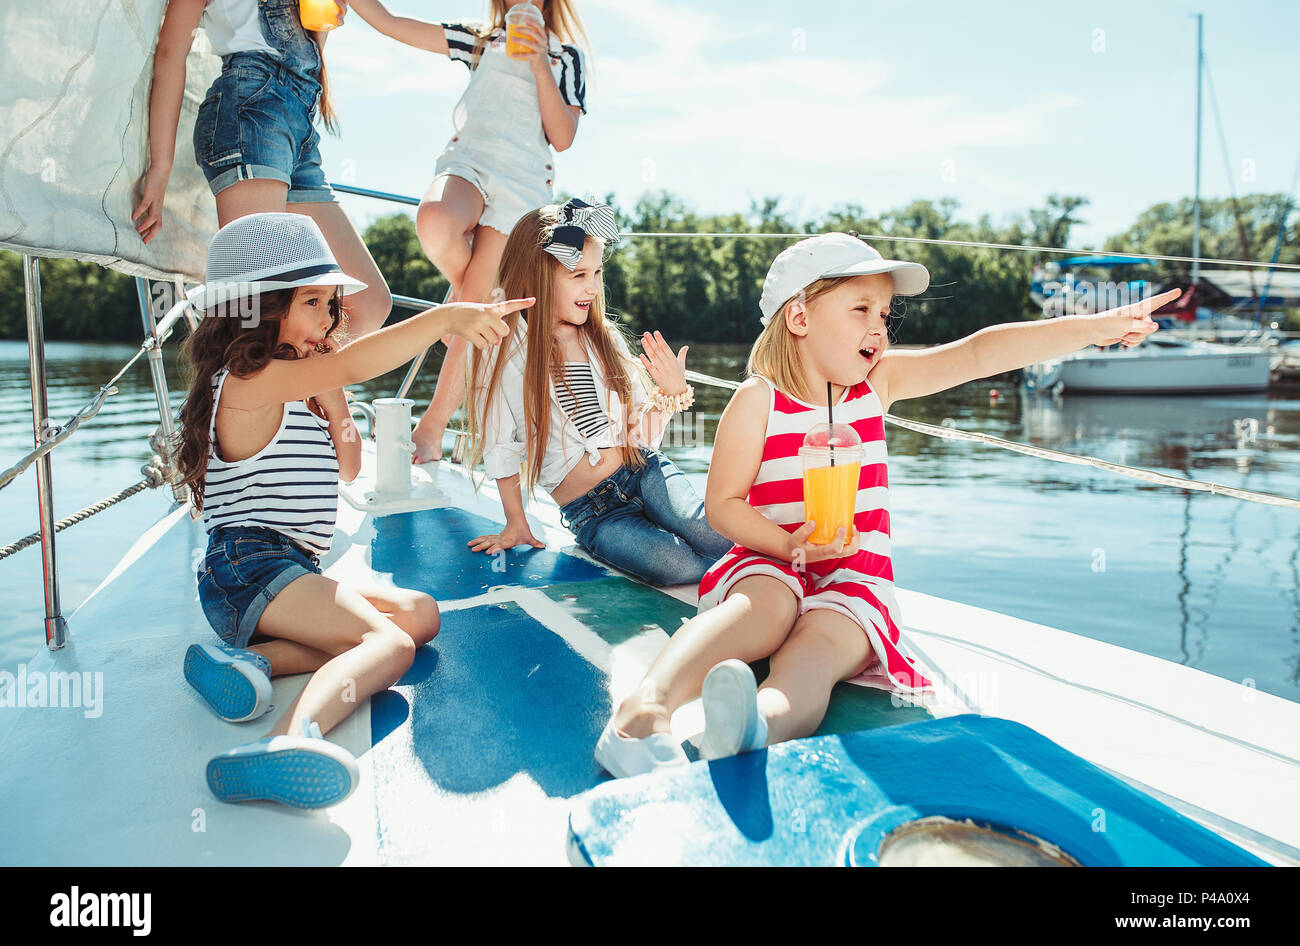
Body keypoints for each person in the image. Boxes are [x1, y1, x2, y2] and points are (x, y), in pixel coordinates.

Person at [595, 232, 1180, 777]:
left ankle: (752, 726)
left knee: (819, 652)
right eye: (860, 310)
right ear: (799, 316)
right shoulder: (758, 401)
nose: (879, 328)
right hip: (773, 562)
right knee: (762, 609)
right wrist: (787, 545)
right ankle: (642, 713)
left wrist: (1091, 329)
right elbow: (722, 506)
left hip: (856, 579)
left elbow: (980, 353)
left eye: (884, 314)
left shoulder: (878, 385)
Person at [176, 212, 529, 808]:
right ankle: (286, 742)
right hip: (248, 567)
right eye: (311, 302)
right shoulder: (244, 381)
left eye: (330, 303)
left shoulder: (294, 386)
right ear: (260, 307)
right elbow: (356, 362)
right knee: (389, 646)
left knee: (419, 616)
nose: (327, 318)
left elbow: (346, 464)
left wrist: (328, 385)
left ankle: (247, 661)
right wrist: (445, 318)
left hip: (286, 572)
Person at [342, 0, 591, 463]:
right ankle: (469, 298)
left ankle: (431, 428)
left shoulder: (567, 58)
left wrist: (539, 64)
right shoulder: (479, 39)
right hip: (470, 161)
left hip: (522, 182)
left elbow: (563, 136)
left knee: (475, 303)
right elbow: (391, 24)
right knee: (435, 220)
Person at [463, 198, 732, 587]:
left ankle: (774, 570)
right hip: (593, 512)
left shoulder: (601, 337)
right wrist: (515, 522)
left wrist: (670, 394)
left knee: (714, 535)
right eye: (578, 275)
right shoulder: (503, 346)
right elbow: (500, 443)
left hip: (644, 472)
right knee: (676, 565)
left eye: (598, 273)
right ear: (536, 275)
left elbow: (641, 435)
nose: (592, 287)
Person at [133, 0, 392, 336]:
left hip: (299, 121)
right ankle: (237, 386)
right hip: (250, 111)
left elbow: (307, 56)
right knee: (258, 306)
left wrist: (323, 25)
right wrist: (160, 166)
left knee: (368, 304)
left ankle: (303, 387)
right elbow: (170, 52)